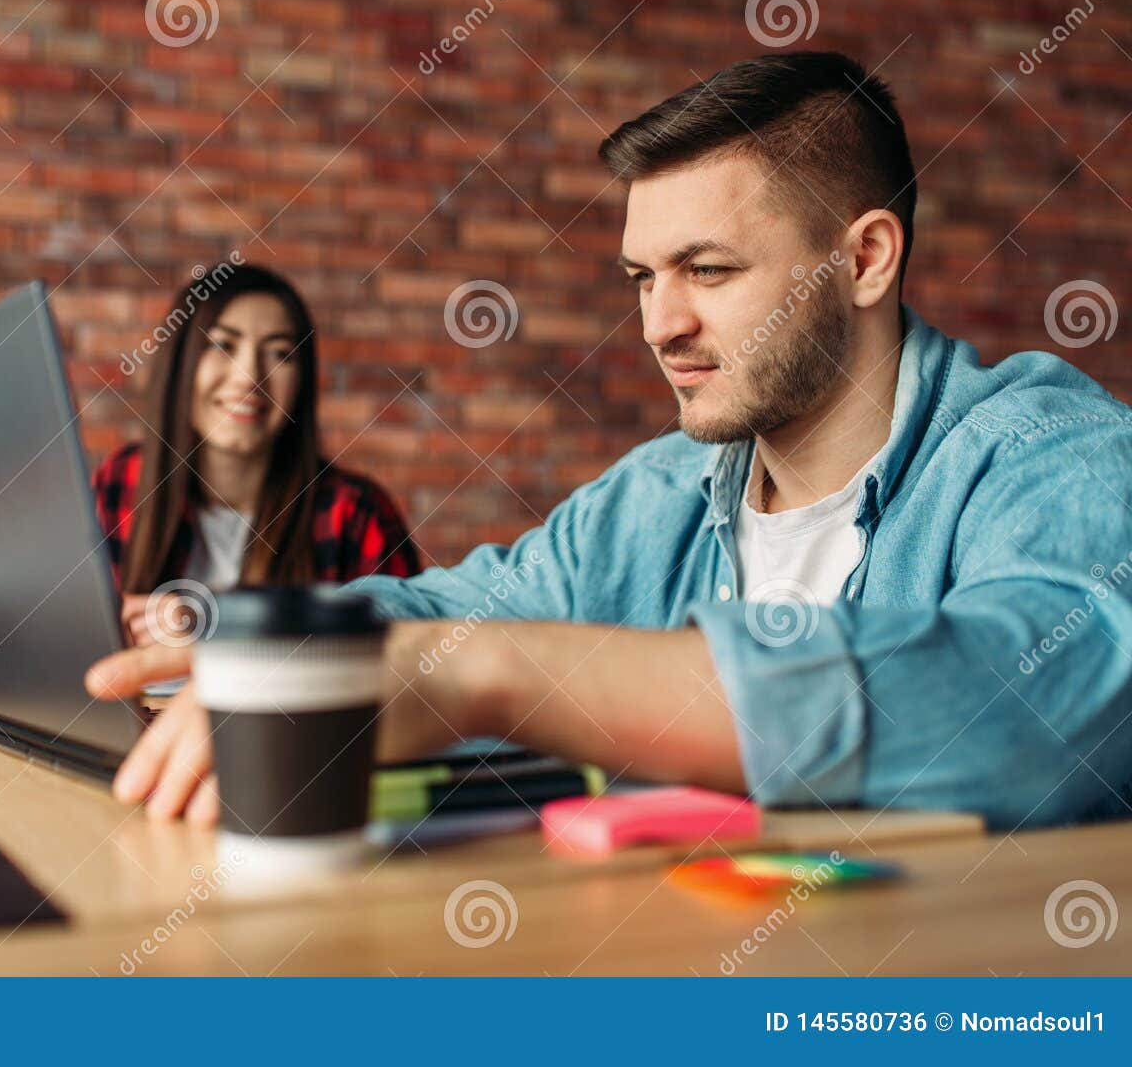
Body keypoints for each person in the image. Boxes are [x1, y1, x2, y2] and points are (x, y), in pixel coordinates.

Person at [86, 51, 1132, 832]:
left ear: (862, 260)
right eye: (642, 277)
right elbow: (440, 612)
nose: (657, 325)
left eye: (708, 271)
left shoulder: (1052, 451)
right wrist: (250, 632)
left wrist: (483, 675)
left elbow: (1035, 704)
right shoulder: (659, 494)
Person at [95, 261, 420, 649]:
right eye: (222, 346)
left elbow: (406, 664)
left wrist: (209, 635)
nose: (249, 376)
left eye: (280, 354)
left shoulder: (358, 513)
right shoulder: (121, 480)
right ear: (181, 364)